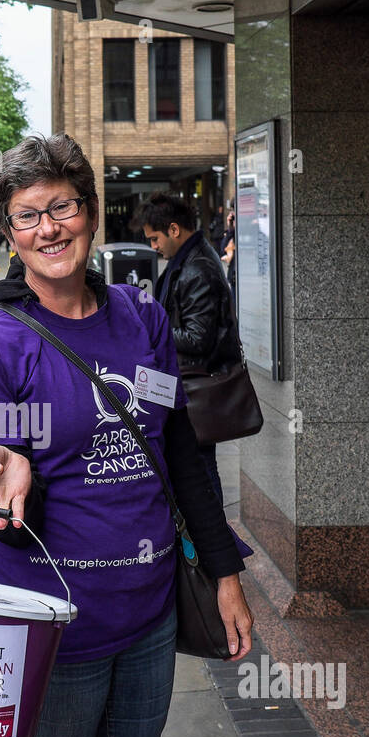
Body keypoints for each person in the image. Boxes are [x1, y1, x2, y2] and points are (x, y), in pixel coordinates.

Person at [0, 133, 254, 737]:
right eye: (27, 216)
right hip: (53, 635)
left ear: (90, 212)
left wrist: (227, 574)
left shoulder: (142, 318)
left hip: (147, 622)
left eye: (63, 207)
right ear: (10, 234)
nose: (49, 228)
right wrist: (3, 479)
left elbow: (183, 454)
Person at [139, 192, 239, 505]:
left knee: (200, 467)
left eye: (155, 239)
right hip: (185, 383)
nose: (153, 247)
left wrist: (152, 329)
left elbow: (198, 338)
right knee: (195, 464)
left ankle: (214, 542)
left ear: (174, 229)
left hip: (196, 388)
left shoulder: (197, 268)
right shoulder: (188, 260)